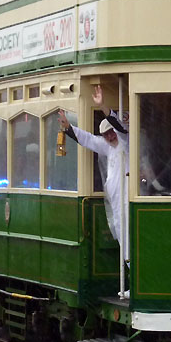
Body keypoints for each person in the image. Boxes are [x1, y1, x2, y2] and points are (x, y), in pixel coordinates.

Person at [58, 84, 129, 261]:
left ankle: (135, 283)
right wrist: (68, 127)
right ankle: (131, 281)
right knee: (123, 242)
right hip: (116, 204)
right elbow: (88, 139)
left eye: (111, 133)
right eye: (106, 135)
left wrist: (103, 106)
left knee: (130, 241)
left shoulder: (125, 142)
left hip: (128, 200)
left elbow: (118, 126)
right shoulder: (107, 146)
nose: (110, 136)